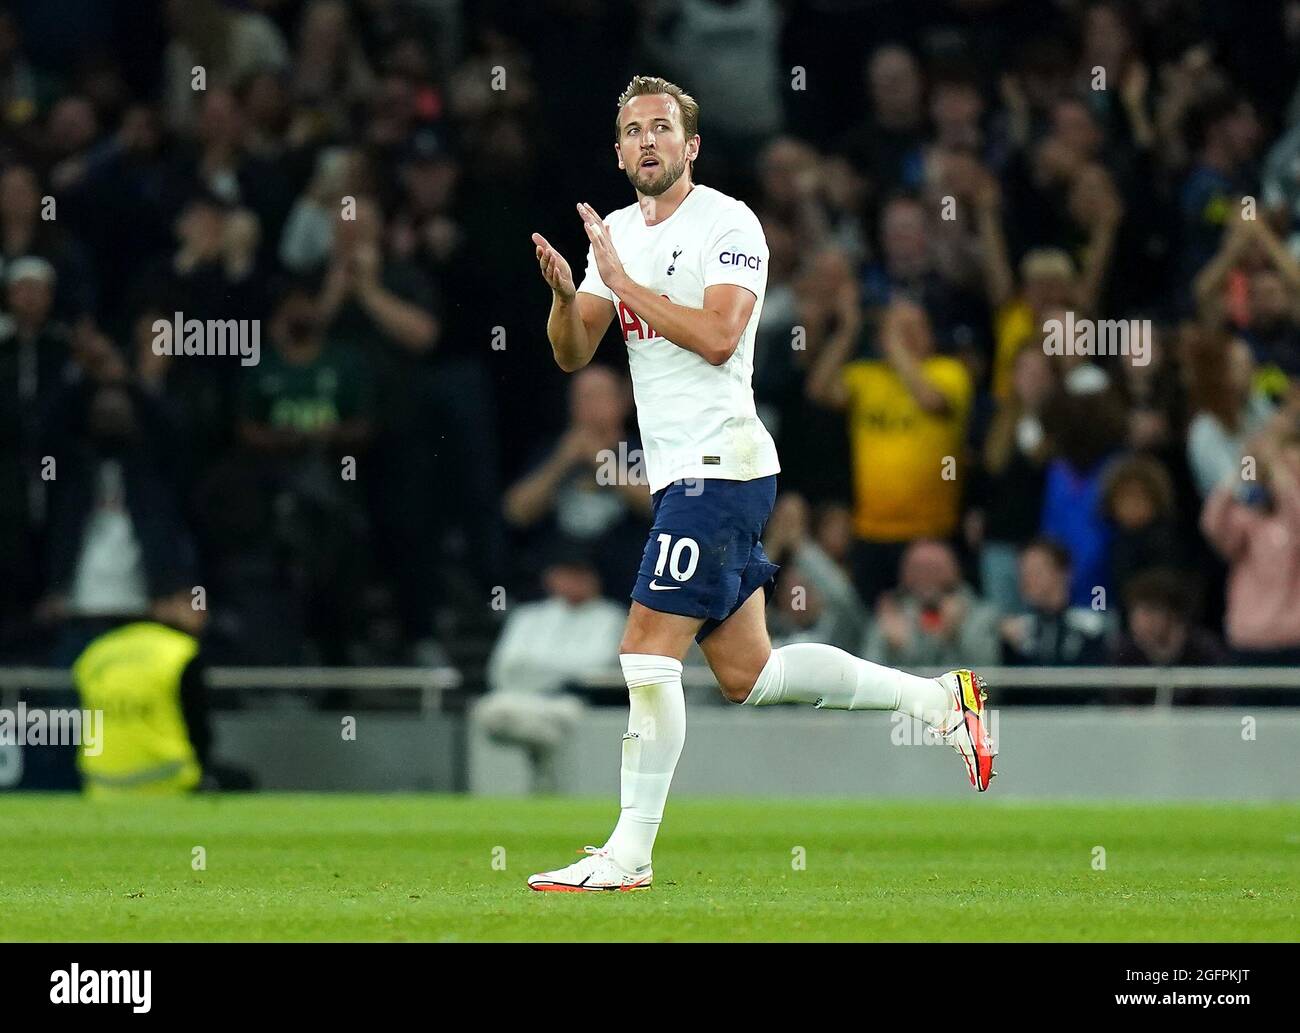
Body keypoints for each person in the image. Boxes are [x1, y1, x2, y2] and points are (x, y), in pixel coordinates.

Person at [524, 76, 995, 892]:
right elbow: (573, 352)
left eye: (662, 128)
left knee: (643, 653)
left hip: (721, 466)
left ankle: (628, 854)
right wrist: (569, 298)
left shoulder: (728, 222)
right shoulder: (618, 237)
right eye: (632, 129)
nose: (647, 141)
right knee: (750, 674)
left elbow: (717, 335)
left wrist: (625, 285)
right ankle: (937, 701)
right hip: (690, 477)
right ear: (618, 150)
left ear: (690, 145)